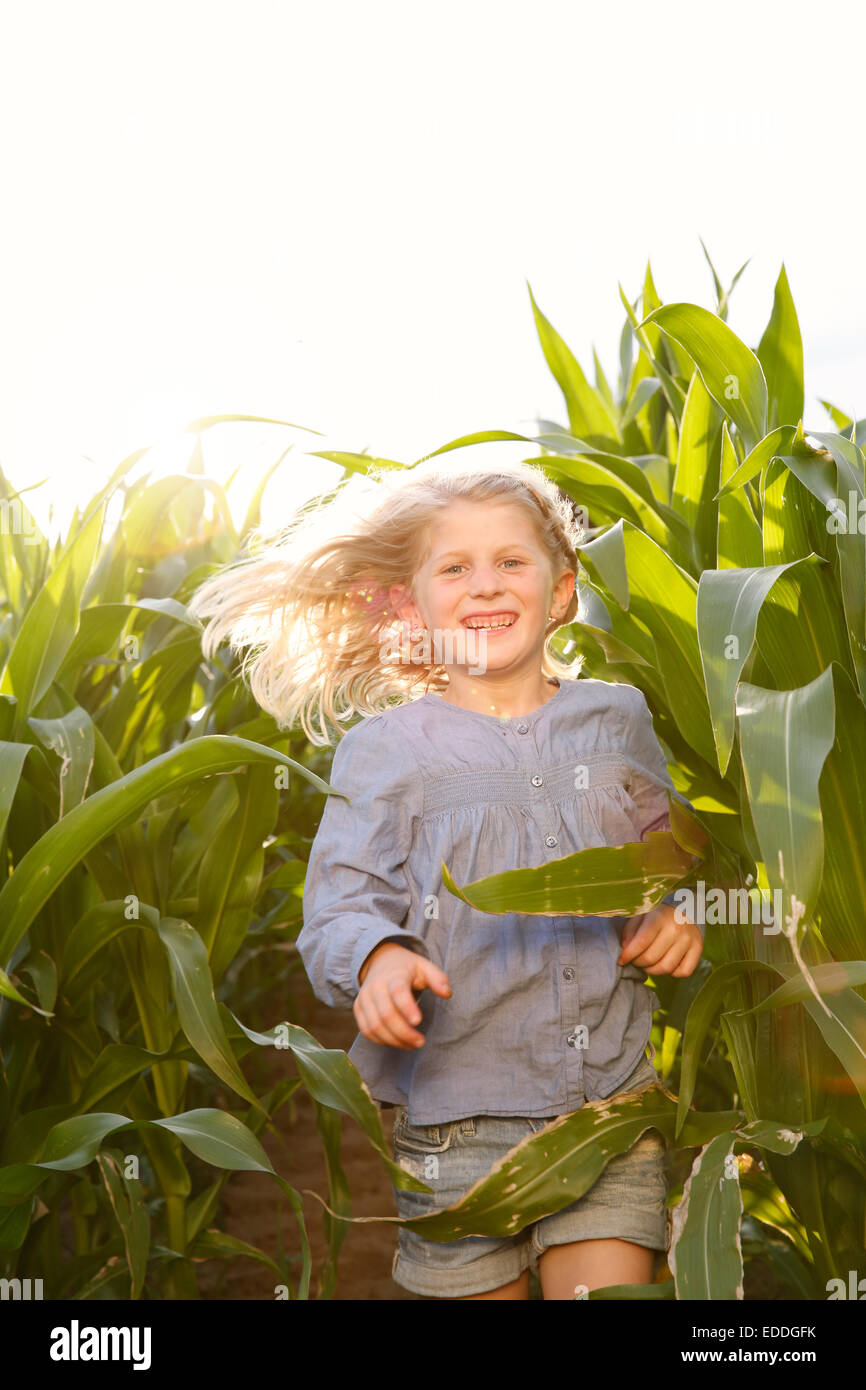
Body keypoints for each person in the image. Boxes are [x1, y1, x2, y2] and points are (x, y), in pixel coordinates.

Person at [189, 457, 704, 1300]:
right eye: (454, 568)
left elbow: (664, 855)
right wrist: (379, 959)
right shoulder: (385, 752)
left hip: (608, 1108)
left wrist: (675, 918)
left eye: (511, 562)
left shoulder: (617, 718)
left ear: (563, 588)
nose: (485, 586)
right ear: (410, 607)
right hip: (455, 1127)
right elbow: (340, 908)